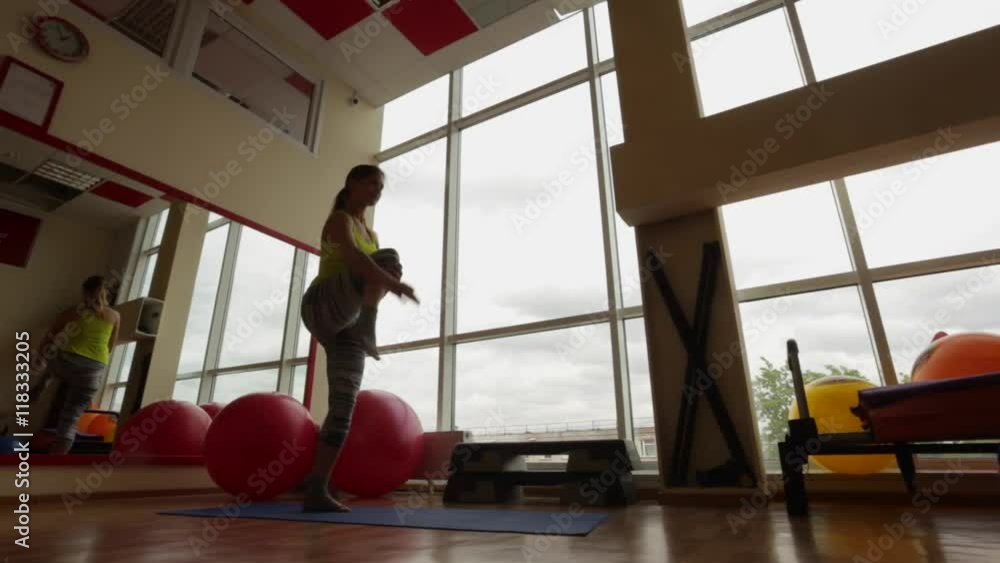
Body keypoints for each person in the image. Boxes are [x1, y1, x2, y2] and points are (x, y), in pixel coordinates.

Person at [300, 164, 418, 512]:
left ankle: (316, 489)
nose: (377, 191)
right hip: (323, 305)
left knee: (342, 410)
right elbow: (353, 258)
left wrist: (387, 281)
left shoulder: (372, 232)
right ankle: (369, 322)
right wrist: (394, 283)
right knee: (386, 260)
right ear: (351, 183)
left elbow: (371, 276)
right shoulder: (340, 220)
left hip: (346, 327)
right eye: (371, 184)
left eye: (381, 187)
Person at [37, 275, 120, 454]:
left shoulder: (74, 312)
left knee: (51, 355)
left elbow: (51, 334)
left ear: (85, 293)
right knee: (71, 418)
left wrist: (40, 355)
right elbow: (111, 345)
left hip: (67, 362)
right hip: (93, 370)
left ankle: (43, 382)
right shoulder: (114, 316)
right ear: (106, 293)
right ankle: (56, 460)